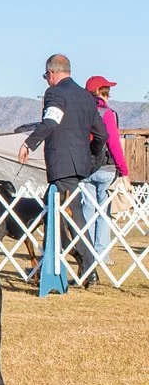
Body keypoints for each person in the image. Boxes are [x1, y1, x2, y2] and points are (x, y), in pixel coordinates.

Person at [18, 54, 106, 288]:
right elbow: (102, 134)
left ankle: (87, 267)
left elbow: (51, 122)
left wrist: (29, 143)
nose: (46, 80)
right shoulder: (87, 97)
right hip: (79, 166)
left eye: (46, 76)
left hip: (62, 166)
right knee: (59, 216)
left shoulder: (55, 93)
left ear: (52, 73)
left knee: (70, 219)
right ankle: (51, 267)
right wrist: (93, 157)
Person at [79, 75, 130, 266]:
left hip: (84, 168)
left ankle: (88, 253)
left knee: (87, 212)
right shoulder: (107, 114)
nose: (109, 95)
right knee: (104, 213)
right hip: (106, 168)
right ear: (101, 93)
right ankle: (102, 253)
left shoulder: (80, 113)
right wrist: (123, 170)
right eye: (107, 91)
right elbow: (114, 143)